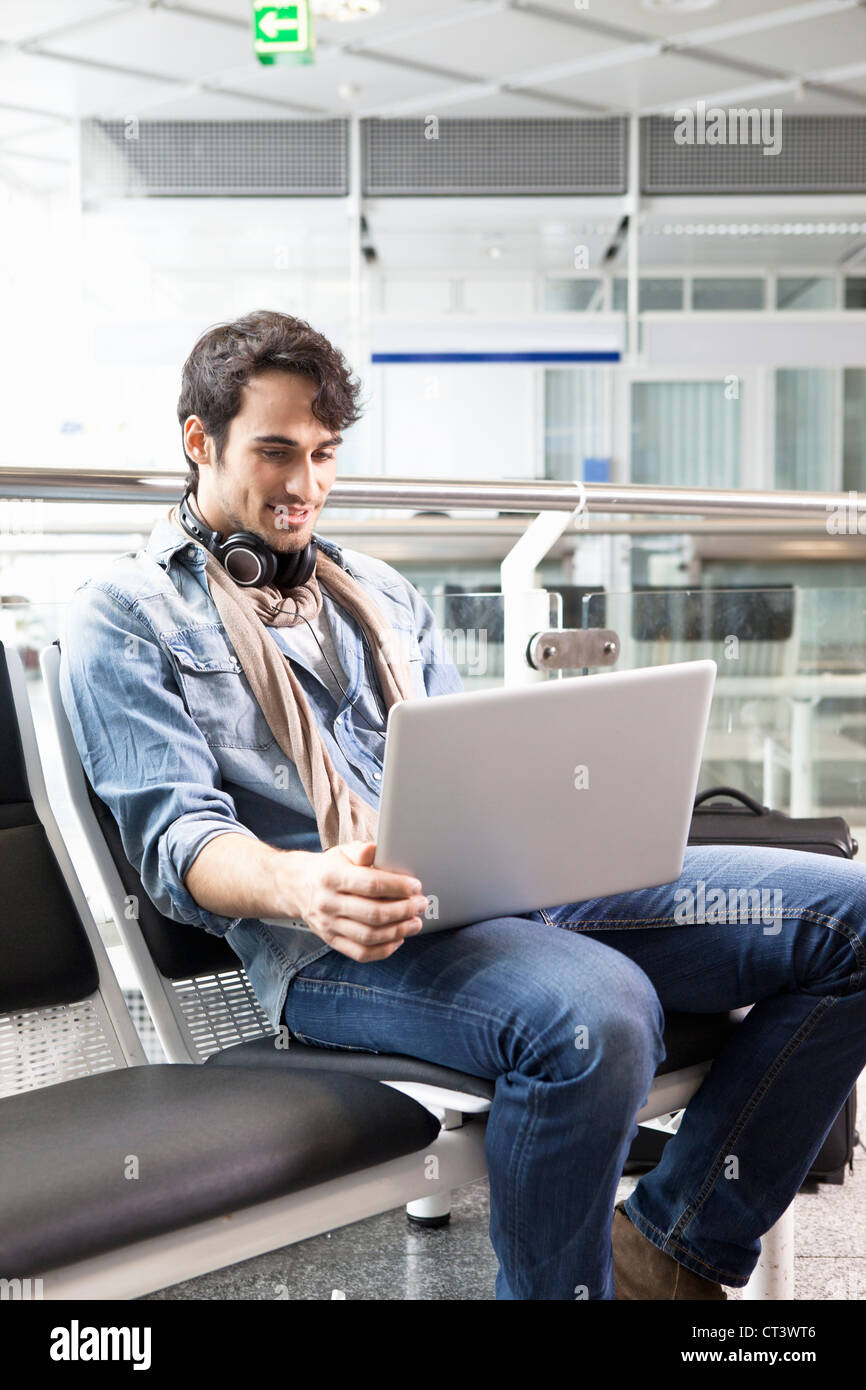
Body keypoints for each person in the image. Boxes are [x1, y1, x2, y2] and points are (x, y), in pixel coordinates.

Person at [60, 309, 866, 1301]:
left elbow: (459, 768)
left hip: (502, 893)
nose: (304, 485)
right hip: (333, 951)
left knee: (852, 913)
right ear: (199, 441)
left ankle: (671, 1243)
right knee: (592, 1013)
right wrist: (302, 885)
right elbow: (175, 842)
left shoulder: (379, 592)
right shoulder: (126, 614)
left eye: (322, 454)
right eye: (275, 452)